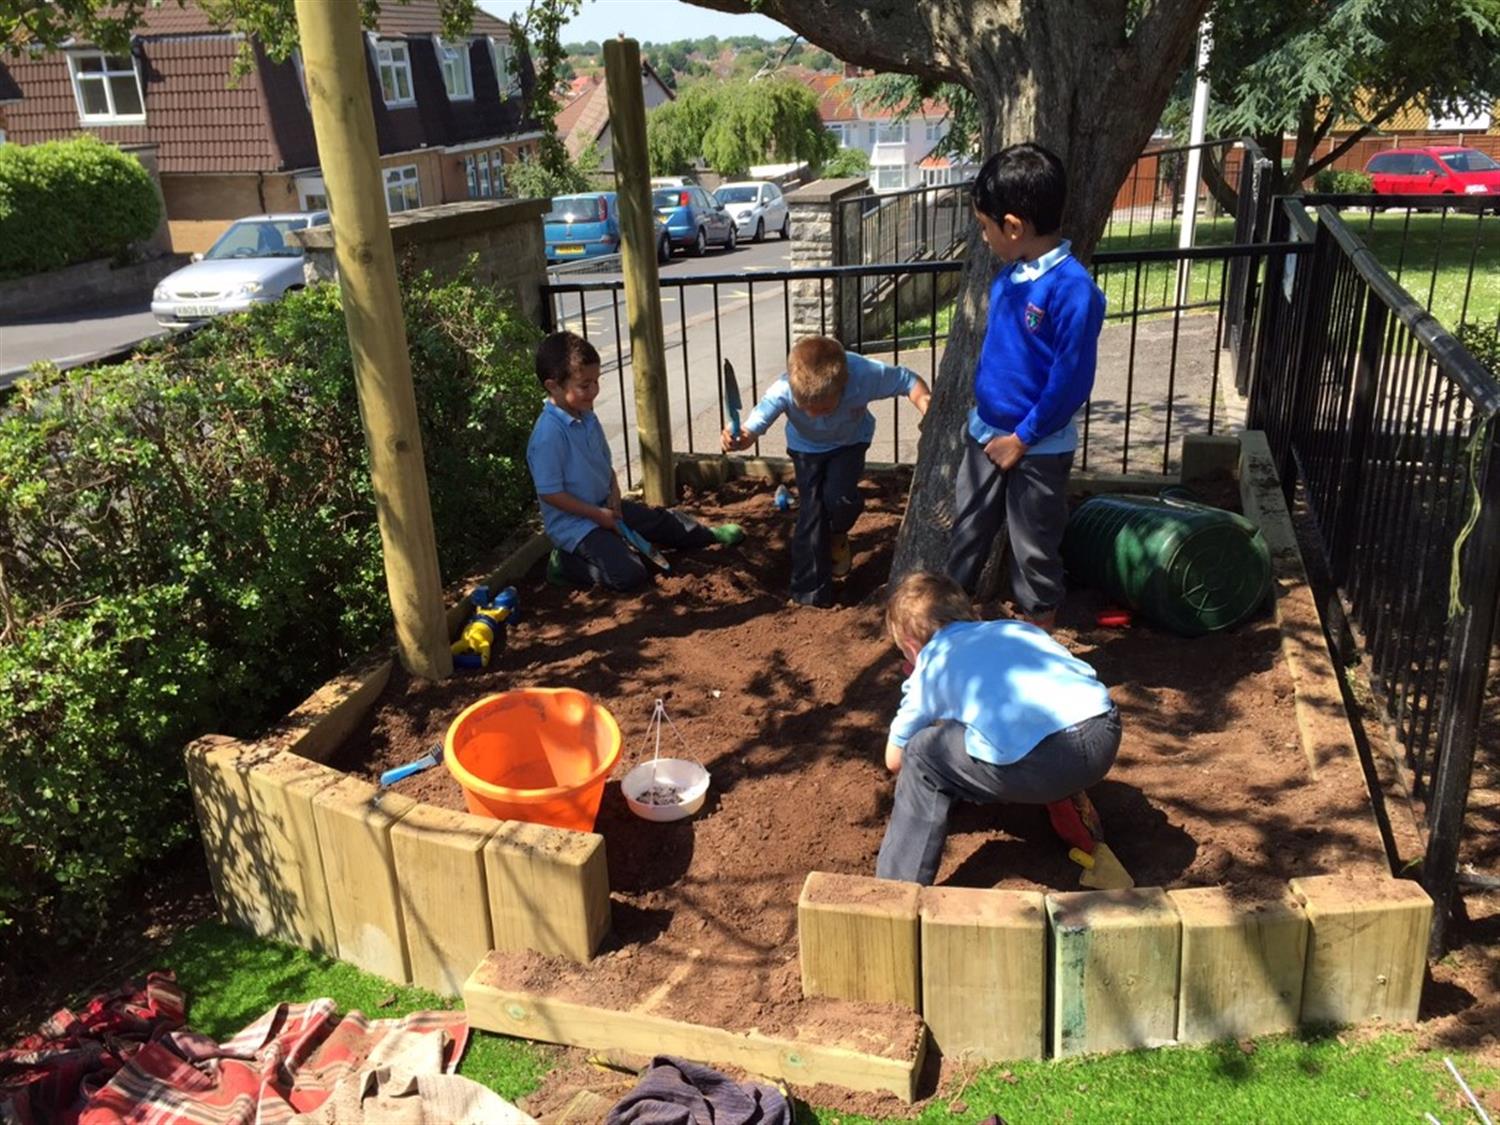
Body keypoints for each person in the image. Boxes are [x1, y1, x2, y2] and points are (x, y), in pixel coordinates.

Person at [947, 142, 1106, 631]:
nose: (984, 235)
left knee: (1034, 549)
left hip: (1036, 447)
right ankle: (954, 635)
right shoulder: (1008, 278)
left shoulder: (1073, 291)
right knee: (968, 533)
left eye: (985, 226)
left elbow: (1071, 379)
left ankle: (1039, 645)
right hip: (986, 436)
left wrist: (1024, 438)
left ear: (1013, 226)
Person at [875, 571, 1120, 886]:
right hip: (1103, 730)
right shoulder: (1015, 629)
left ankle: (894, 889)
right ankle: (1075, 819)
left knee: (922, 753)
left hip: (1043, 767)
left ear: (911, 645)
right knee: (1020, 724)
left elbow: (895, 760)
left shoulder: (930, 667)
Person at [721, 336, 930, 606]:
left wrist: (925, 403)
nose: (812, 415)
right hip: (805, 449)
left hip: (850, 444)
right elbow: (755, 425)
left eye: (822, 408)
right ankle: (810, 595)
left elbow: (907, 381)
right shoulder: (783, 389)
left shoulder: (863, 375)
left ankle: (838, 533)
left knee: (839, 500)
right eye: (804, 407)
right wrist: (739, 437)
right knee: (812, 514)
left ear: (843, 386)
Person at [527, 331, 743, 591]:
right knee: (629, 574)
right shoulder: (548, 435)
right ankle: (565, 564)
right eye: (584, 385)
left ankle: (705, 535)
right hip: (576, 525)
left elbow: (603, 463)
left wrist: (615, 493)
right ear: (553, 386)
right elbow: (551, 494)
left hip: (606, 507)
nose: (593, 390)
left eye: (596, 381)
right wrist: (597, 515)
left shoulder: (587, 417)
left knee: (660, 522)